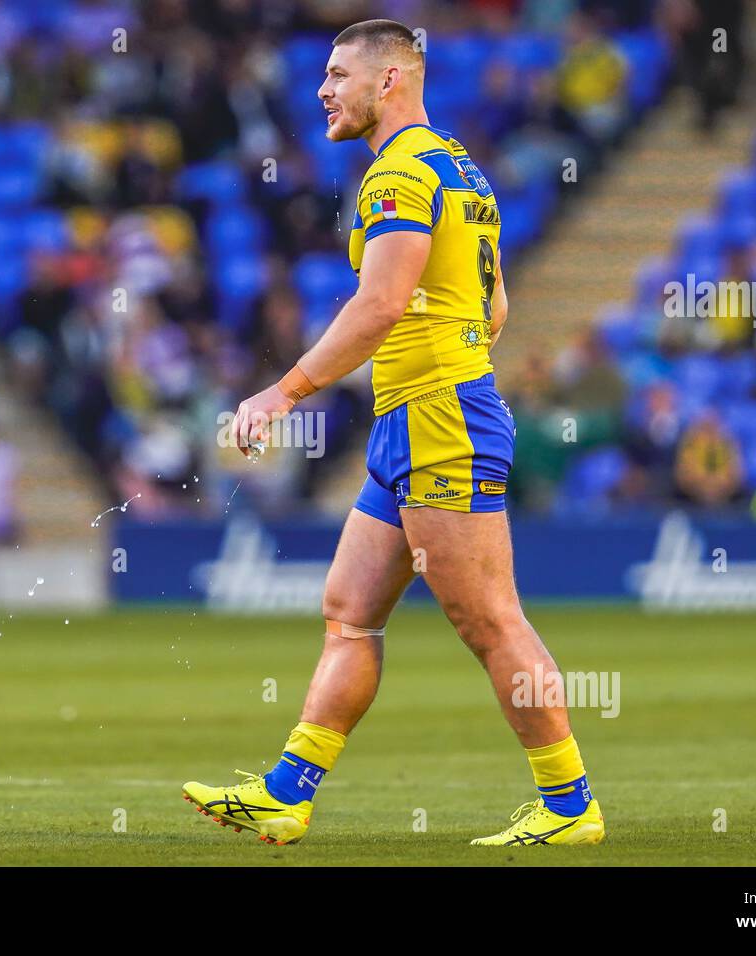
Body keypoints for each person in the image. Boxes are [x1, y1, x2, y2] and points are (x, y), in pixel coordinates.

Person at [182, 20, 604, 848]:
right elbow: (496, 308)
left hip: (438, 418)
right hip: (418, 416)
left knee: (489, 621)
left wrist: (281, 393)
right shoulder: (460, 168)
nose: (322, 90)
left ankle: (568, 804)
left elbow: (378, 306)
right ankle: (286, 792)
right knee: (349, 610)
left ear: (388, 83)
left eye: (338, 74)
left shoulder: (399, 176)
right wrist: (446, 356)